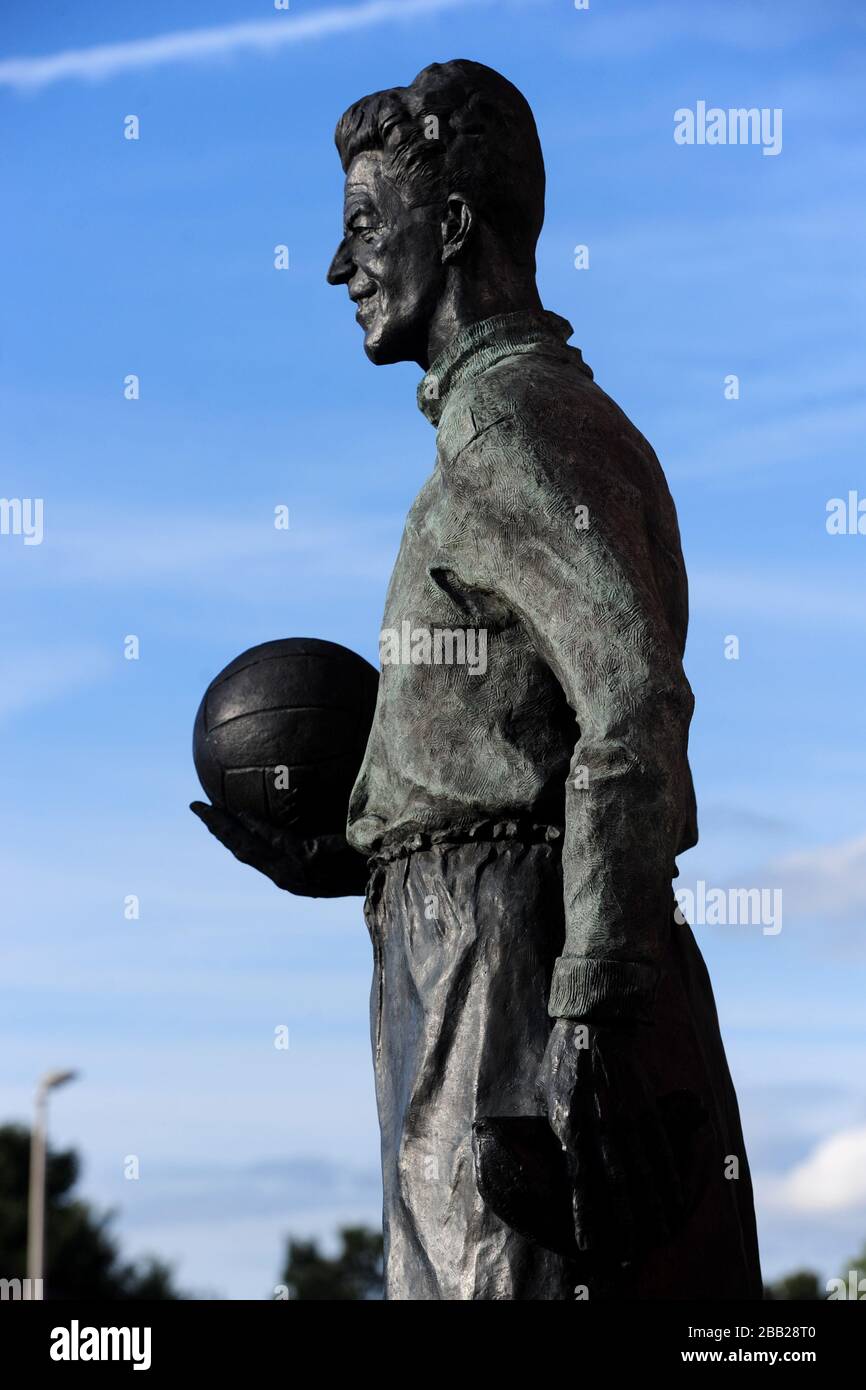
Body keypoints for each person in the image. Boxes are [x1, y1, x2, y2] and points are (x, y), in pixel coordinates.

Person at [192, 59, 762, 1301]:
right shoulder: (526, 433)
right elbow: (530, 746)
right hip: (479, 954)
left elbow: (631, 705)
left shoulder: (516, 437)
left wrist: (590, 1007)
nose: (338, 269)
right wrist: (360, 845)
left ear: (448, 227)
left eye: (360, 226)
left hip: (508, 976)